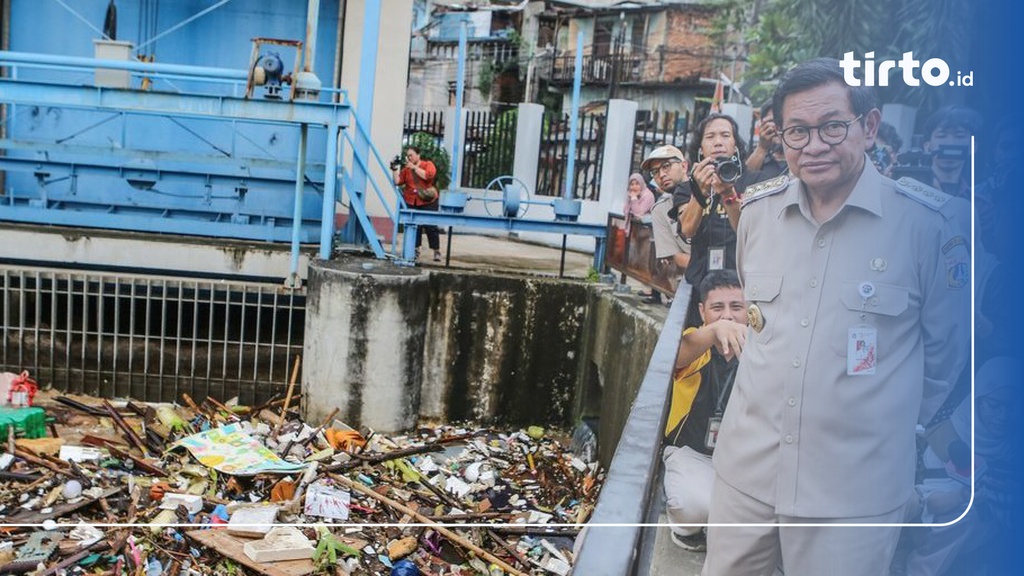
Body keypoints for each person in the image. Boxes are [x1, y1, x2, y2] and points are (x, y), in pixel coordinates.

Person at [704, 58, 970, 576]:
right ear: (779, 138)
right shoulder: (757, 213)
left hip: (855, 494)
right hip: (747, 476)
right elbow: (762, 327)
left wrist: (867, 420)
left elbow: (944, 359)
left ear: (868, 127)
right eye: (796, 132)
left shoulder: (927, 226)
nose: (814, 145)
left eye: (831, 126)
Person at [904, 357, 1018, 575]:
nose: (1003, 416)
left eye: (1012, 407)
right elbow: (927, 500)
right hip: (946, 523)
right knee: (966, 518)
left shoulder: (1014, 441)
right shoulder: (949, 436)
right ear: (978, 399)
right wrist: (965, 496)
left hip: (1002, 526)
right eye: (994, 406)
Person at [663, 270, 747, 552]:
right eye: (717, 308)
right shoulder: (695, 340)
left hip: (742, 458)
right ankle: (688, 529)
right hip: (692, 453)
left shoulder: (758, 347)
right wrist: (714, 331)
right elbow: (673, 358)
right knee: (695, 505)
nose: (728, 316)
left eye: (737, 307)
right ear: (702, 311)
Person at [678, 113, 761, 326]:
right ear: (700, 148)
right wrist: (700, 191)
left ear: (735, 146)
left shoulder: (751, 184)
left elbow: (749, 234)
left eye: (725, 135)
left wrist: (728, 195)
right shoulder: (687, 187)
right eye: (710, 137)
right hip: (699, 287)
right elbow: (687, 229)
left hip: (740, 287)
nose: (718, 142)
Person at [639, 145, 692, 304]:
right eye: (655, 172)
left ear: (684, 166)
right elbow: (678, 258)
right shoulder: (660, 210)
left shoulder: (709, 193)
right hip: (691, 285)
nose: (661, 174)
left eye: (666, 166)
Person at [393, 145, 443, 262]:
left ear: (418, 155)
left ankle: (436, 250)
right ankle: (415, 250)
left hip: (427, 200)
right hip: (412, 200)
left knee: (431, 226)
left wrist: (414, 168)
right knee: (415, 227)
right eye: (408, 155)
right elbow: (398, 181)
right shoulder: (406, 170)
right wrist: (394, 168)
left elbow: (428, 176)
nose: (409, 157)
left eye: (411, 155)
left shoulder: (427, 164)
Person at [922, 106, 981, 199]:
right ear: (927, 146)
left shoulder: (978, 205)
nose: (950, 143)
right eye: (941, 136)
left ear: (973, 147)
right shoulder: (906, 189)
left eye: (959, 136)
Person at [745, 102, 788, 178]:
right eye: (772, 122)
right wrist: (762, 148)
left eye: (781, 121)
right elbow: (744, 180)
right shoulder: (758, 155)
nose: (777, 127)